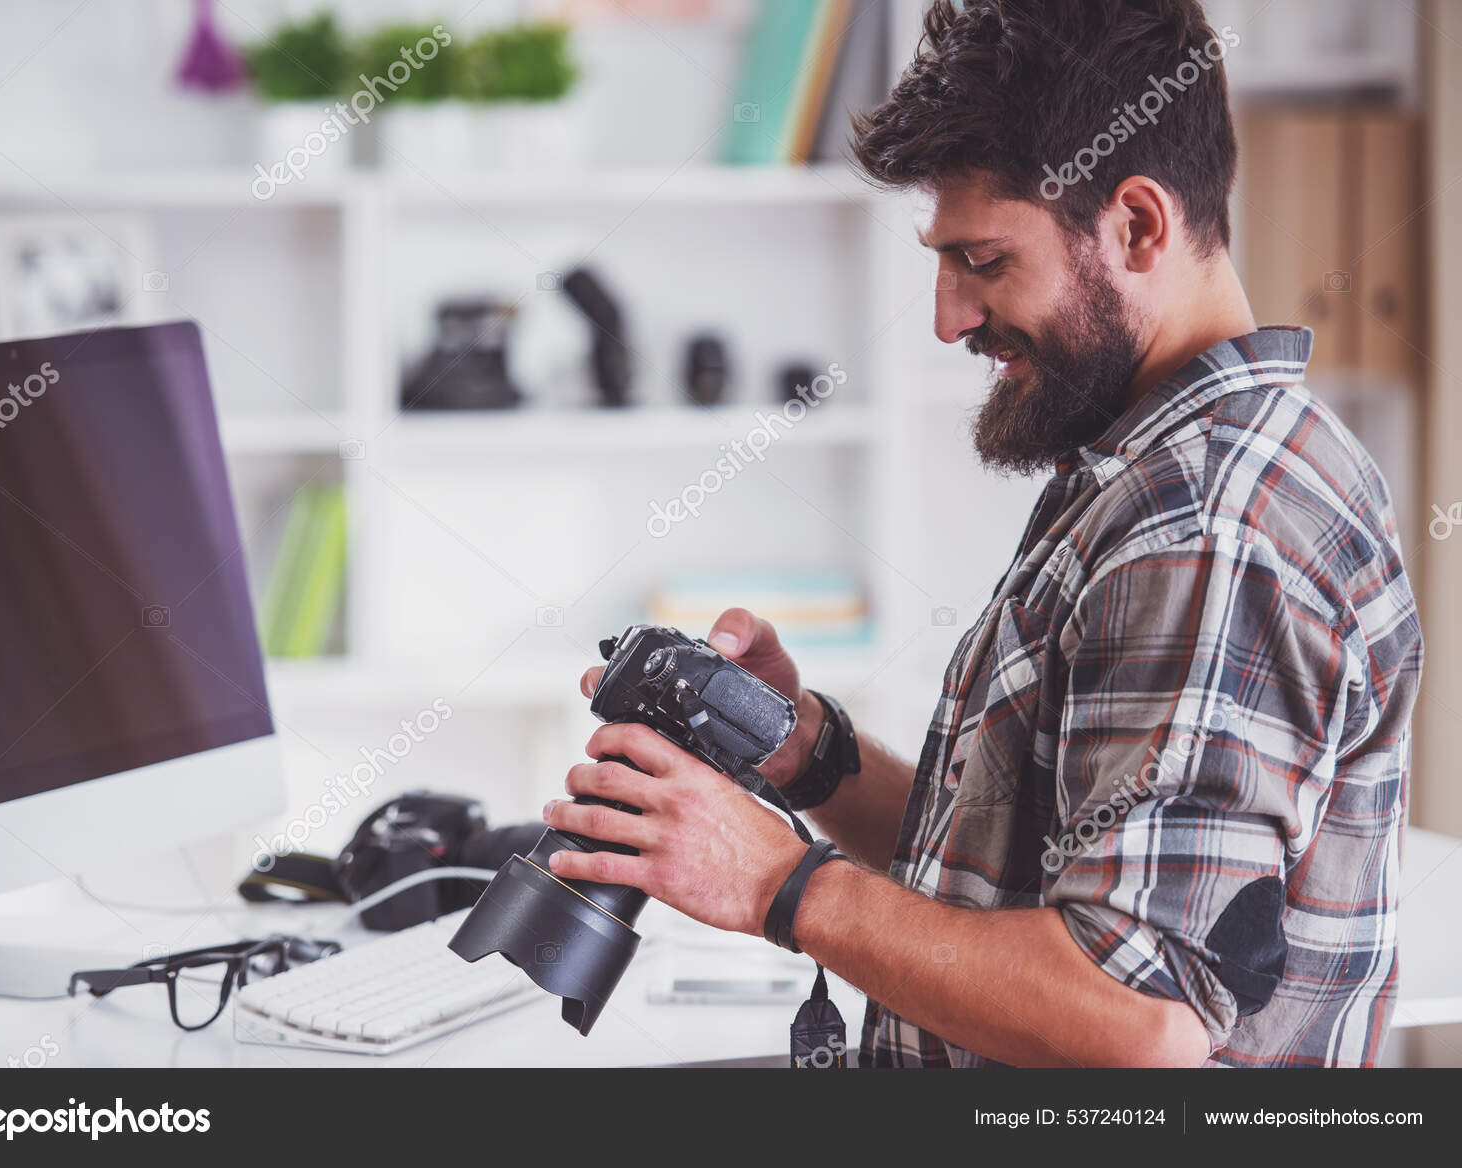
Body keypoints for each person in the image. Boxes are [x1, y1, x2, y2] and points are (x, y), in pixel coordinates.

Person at [545, 0, 1424, 1067]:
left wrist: (776, 885)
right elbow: (1035, 862)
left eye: (985, 261)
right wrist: (807, 754)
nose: (946, 316)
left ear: (1136, 225)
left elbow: (1132, 1022)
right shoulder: (1155, 469)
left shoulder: (1202, 526)